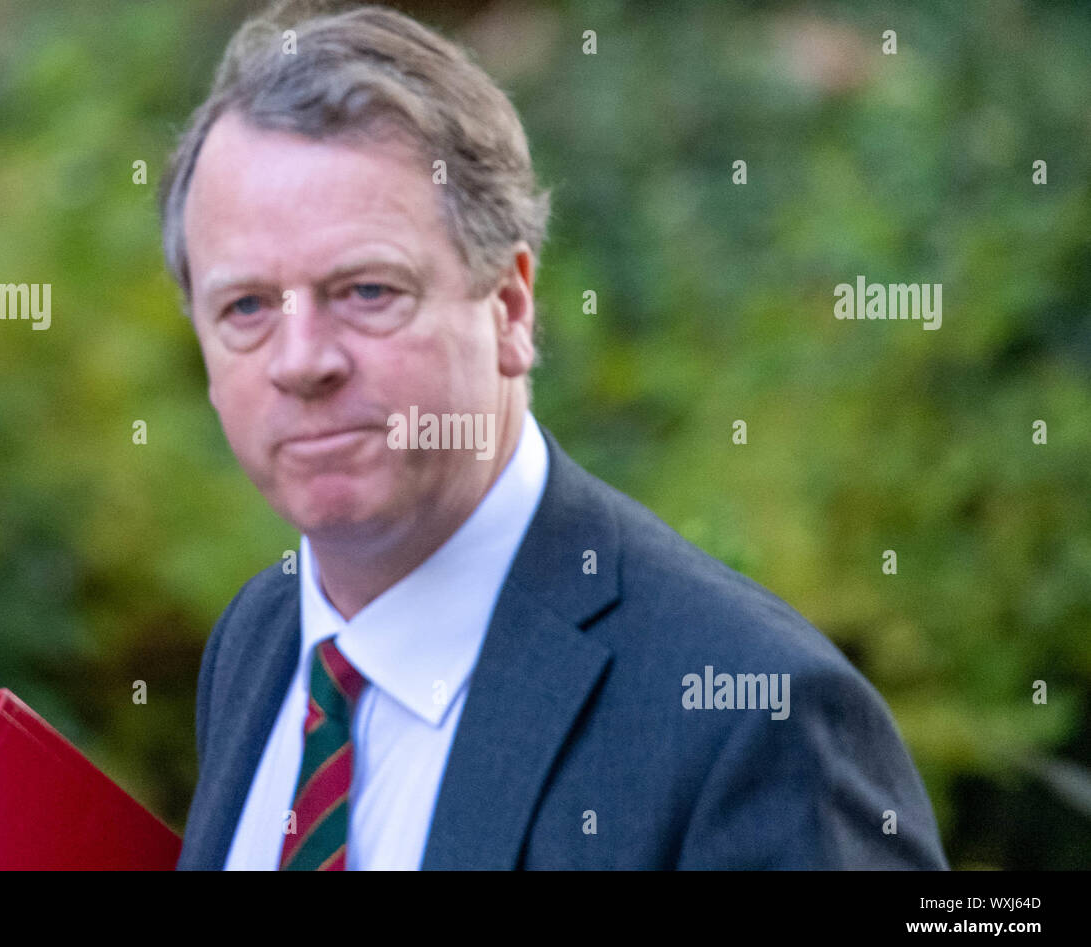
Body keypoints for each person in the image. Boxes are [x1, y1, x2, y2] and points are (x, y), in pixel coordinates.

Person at [158, 0, 948, 870]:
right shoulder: (259, 639)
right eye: (246, 307)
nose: (302, 360)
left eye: (368, 291)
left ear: (511, 307)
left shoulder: (752, 720)